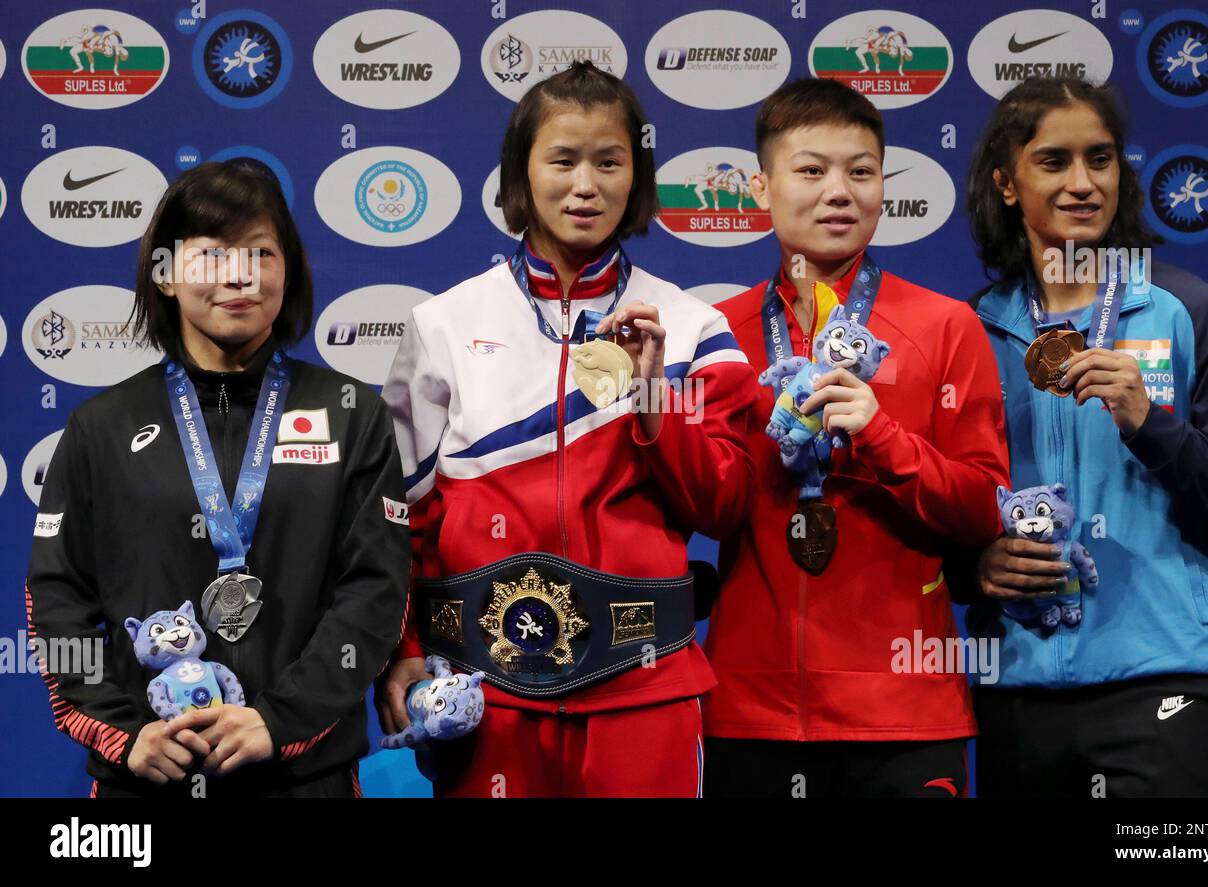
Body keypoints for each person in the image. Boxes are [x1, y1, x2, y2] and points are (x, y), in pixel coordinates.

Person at [377, 61, 755, 797]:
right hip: (486, 693)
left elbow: (726, 503)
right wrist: (406, 648)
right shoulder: (444, 323)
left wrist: (652, 399)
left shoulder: (693, 326)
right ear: (521, 174)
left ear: (636, 177)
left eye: (610, 161)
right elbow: (401, 515)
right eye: (562, 159)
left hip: (645, 688)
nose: (586, 185)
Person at [25, 160, 410, 797]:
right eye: (210, 254)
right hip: (144, 781)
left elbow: (375, 594)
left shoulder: (351, 414)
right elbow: (57, 603)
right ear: (166, 275)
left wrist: (277, 721)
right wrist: (126, 732)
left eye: (261, 252)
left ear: (288, 270)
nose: (239, 275)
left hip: (303, 777)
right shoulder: (100, 426)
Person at [961, 76, 1208, 797]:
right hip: (1015, 687)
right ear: (1007, 184)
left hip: (1163, 685)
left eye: (1101, 159)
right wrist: (973, 565)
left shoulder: (1190, 310)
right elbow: (936, 505)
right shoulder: (966, 331)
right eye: (1054, 161)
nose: (1083, 183)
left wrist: (1154, 427)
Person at [703, 78, 1010, 798]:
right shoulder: (716, 332)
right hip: (749, 718)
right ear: (760, 187)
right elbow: (700, 503)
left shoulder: (944, 325)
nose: (839, 191)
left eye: (861, 171)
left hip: (904, 715)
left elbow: (984, 508)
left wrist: (880, 433)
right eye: (811, 170)